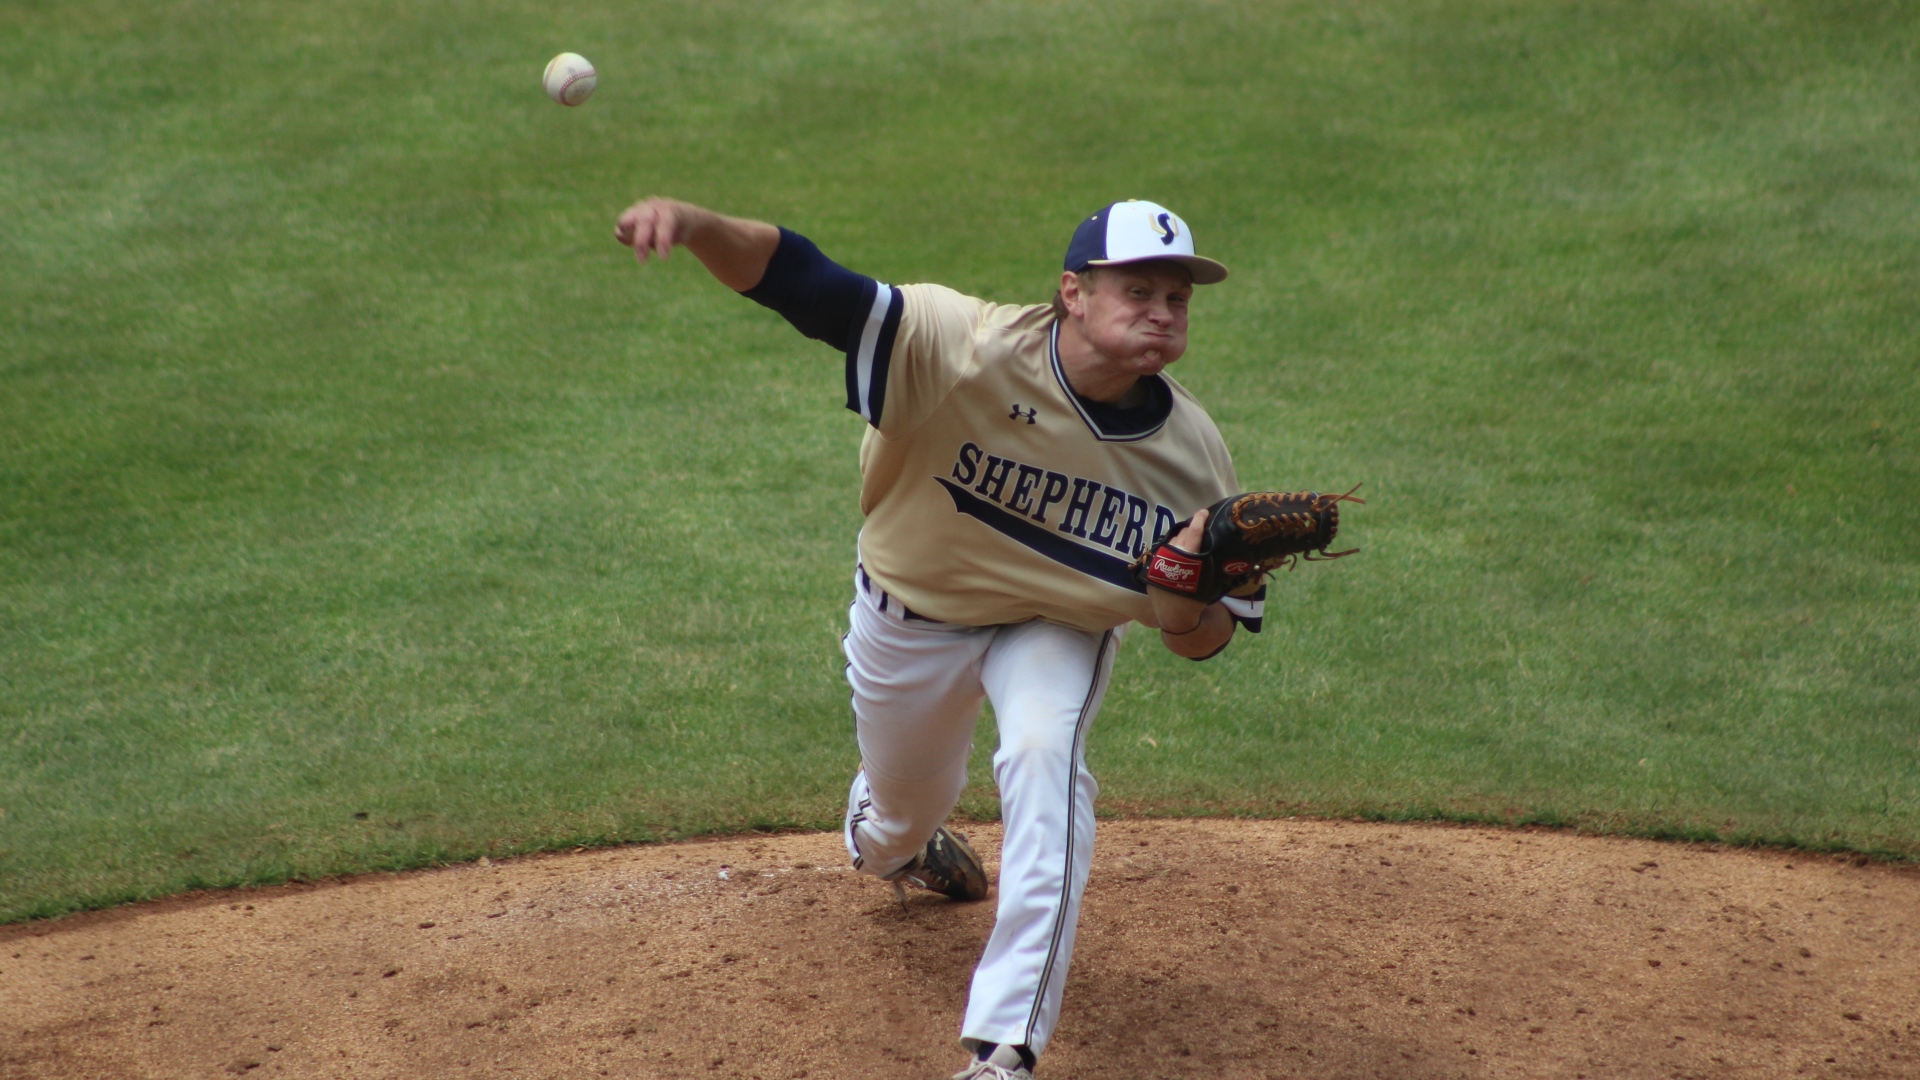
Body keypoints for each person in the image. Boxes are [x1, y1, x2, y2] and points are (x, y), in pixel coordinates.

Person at [614, 196, 1263, 1080]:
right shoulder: (963, 347)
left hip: (1055, 629)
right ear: (1073, 293)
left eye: (1177, 299)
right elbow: (806, 282)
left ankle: (1005, 1049)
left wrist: (1182, 595)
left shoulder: (1194, 459)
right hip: (911, 617)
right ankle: (895, 840)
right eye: (1137, 289)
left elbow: (1203, 643)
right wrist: (695, 226)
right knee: (897, 819)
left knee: (1045, 759)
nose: (1161, 311)